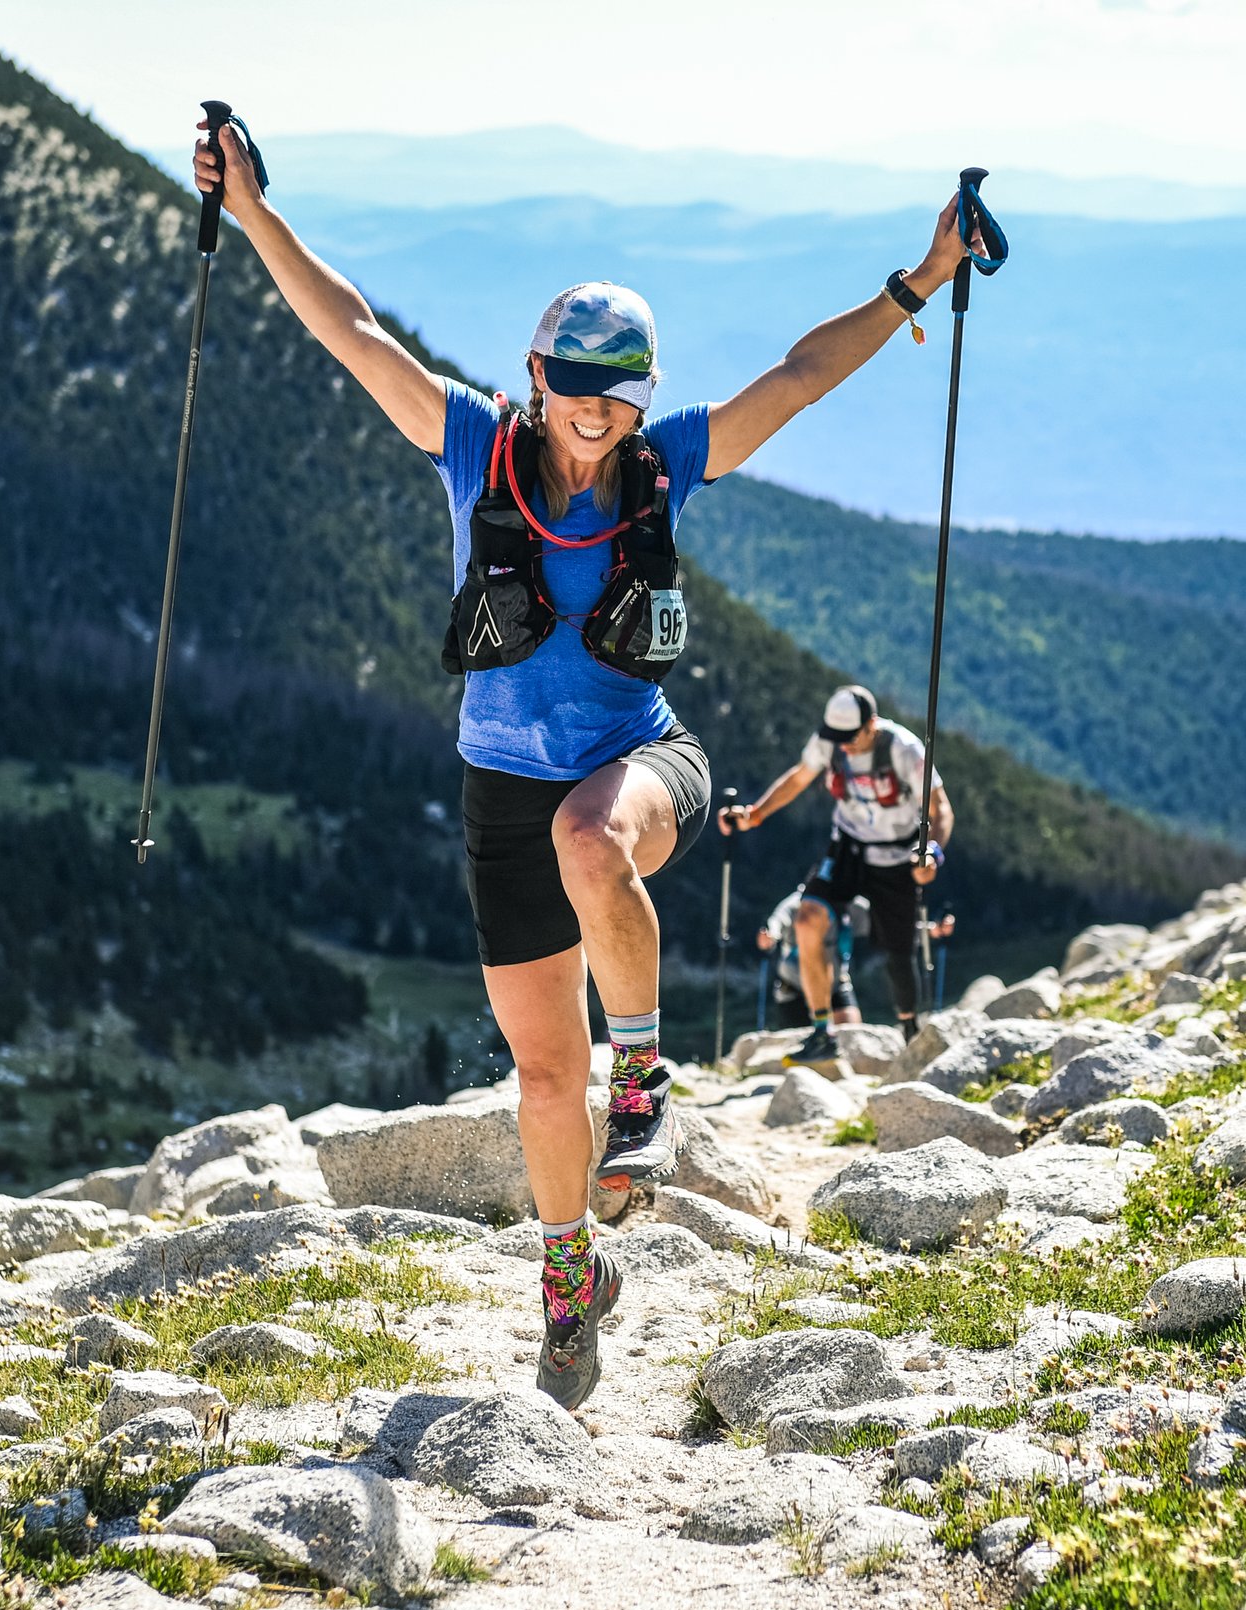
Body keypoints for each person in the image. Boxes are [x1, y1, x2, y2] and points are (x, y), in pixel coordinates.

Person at [192, 121, 980, 1410]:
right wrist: (259, 215)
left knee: (590, 847)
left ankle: (653, 1078)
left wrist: (919, 278)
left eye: (621, 389)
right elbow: (354, 335)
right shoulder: (472, 445)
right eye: (578, 383)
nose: (599, 410)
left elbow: (794, 375)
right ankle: (571, 1286)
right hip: (497, 790)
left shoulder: (664, 463)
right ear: (538, 373)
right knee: (545, 1077)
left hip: (639, 760)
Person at [717, 685, 953, 1060]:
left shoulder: (905, 750)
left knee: (899, 953)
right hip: (847, 848)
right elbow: (799, 777)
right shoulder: (831, 741)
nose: (843, 746)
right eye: (837, 738)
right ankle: (822, 1031)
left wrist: (932, 853)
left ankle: (909, 1027)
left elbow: (940, 808)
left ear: (871, 725)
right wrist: (756, 813)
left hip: (896, 856)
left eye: (851, 738)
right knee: (808, 917)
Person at [756, 886, 866, 1027]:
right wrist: (770, 934)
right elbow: (777, 920)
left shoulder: (851, 904)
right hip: (794, 990)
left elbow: (875, 917)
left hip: (836, 985)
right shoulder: (796, 904)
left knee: (851, 1031)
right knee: (799, 1042)